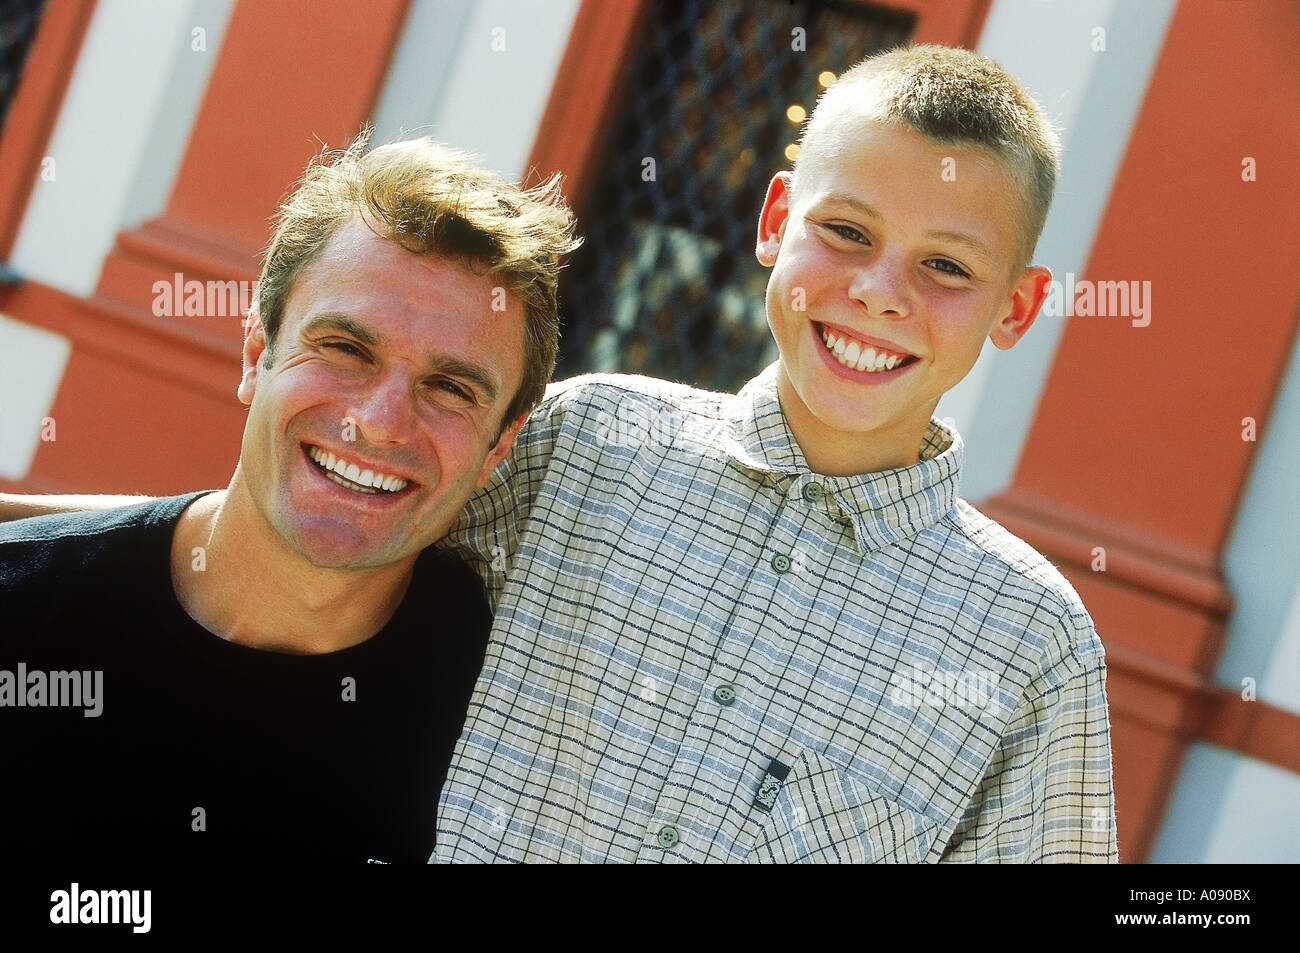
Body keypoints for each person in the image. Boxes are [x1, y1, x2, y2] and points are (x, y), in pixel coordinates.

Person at [3, 45, 1118, 864]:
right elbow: (331, 524)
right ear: (776, 217)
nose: (879, 291)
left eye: (946, 267)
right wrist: (43, 535)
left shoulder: (1029, 641)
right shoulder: (591, 442)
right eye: (848, 231)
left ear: (1017, 306)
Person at [0, 134, 579, 862]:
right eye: (345, 347)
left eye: (451, 388)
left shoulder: (509, 727)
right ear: (256, 352)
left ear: (500, 445)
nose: (378, 420)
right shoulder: (20, 604)